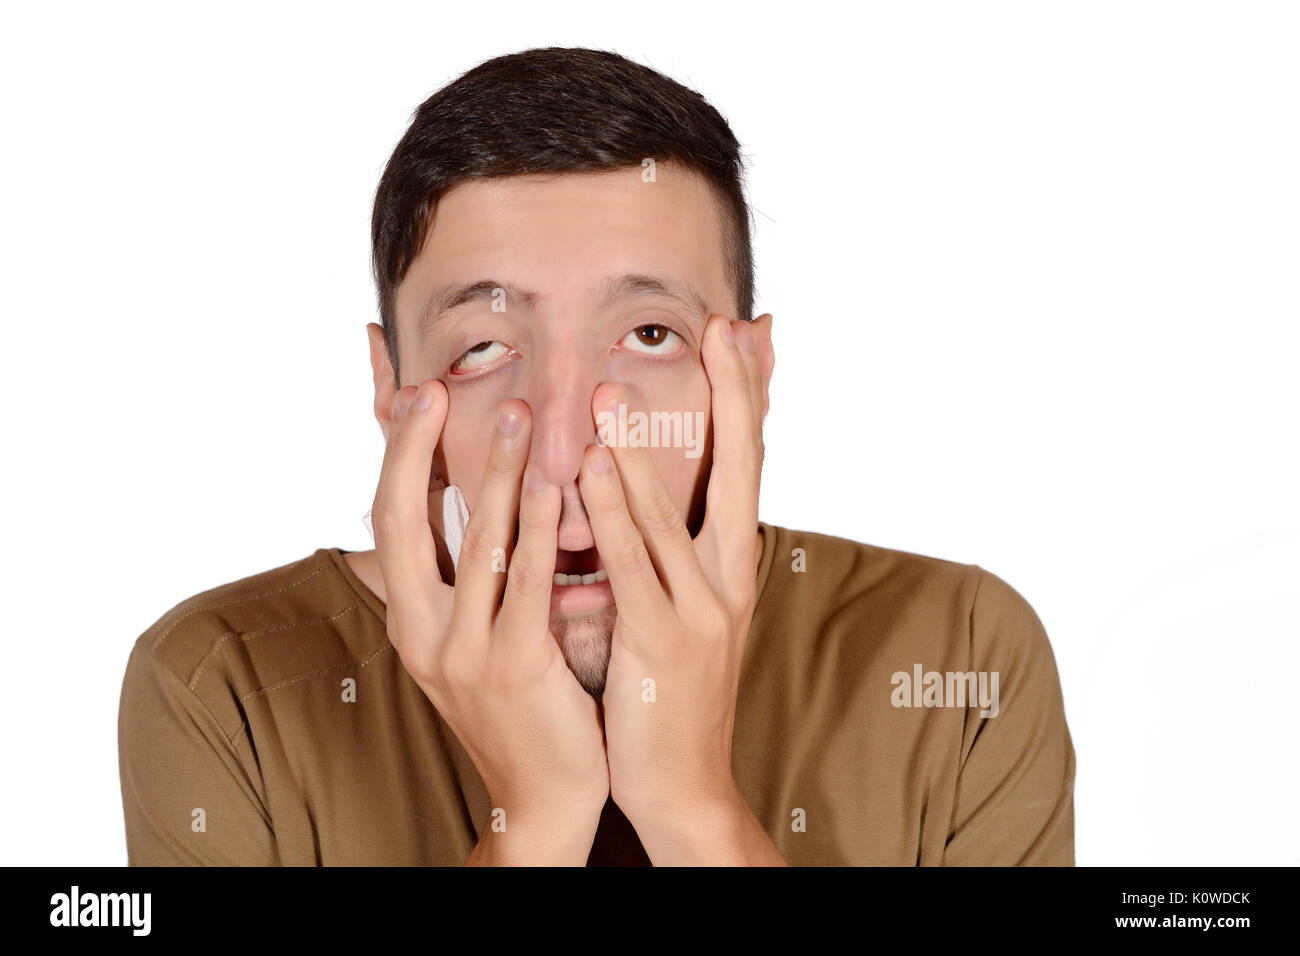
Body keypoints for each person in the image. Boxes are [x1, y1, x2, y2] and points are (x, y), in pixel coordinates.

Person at [118, 46, 1075, 866]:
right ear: (390, 389)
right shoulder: (225, 686)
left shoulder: (962, 657)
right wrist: (533, 823)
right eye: (484, 350)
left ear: (750, 375)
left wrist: (692, 810)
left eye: (650, 335)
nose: (566, 449)